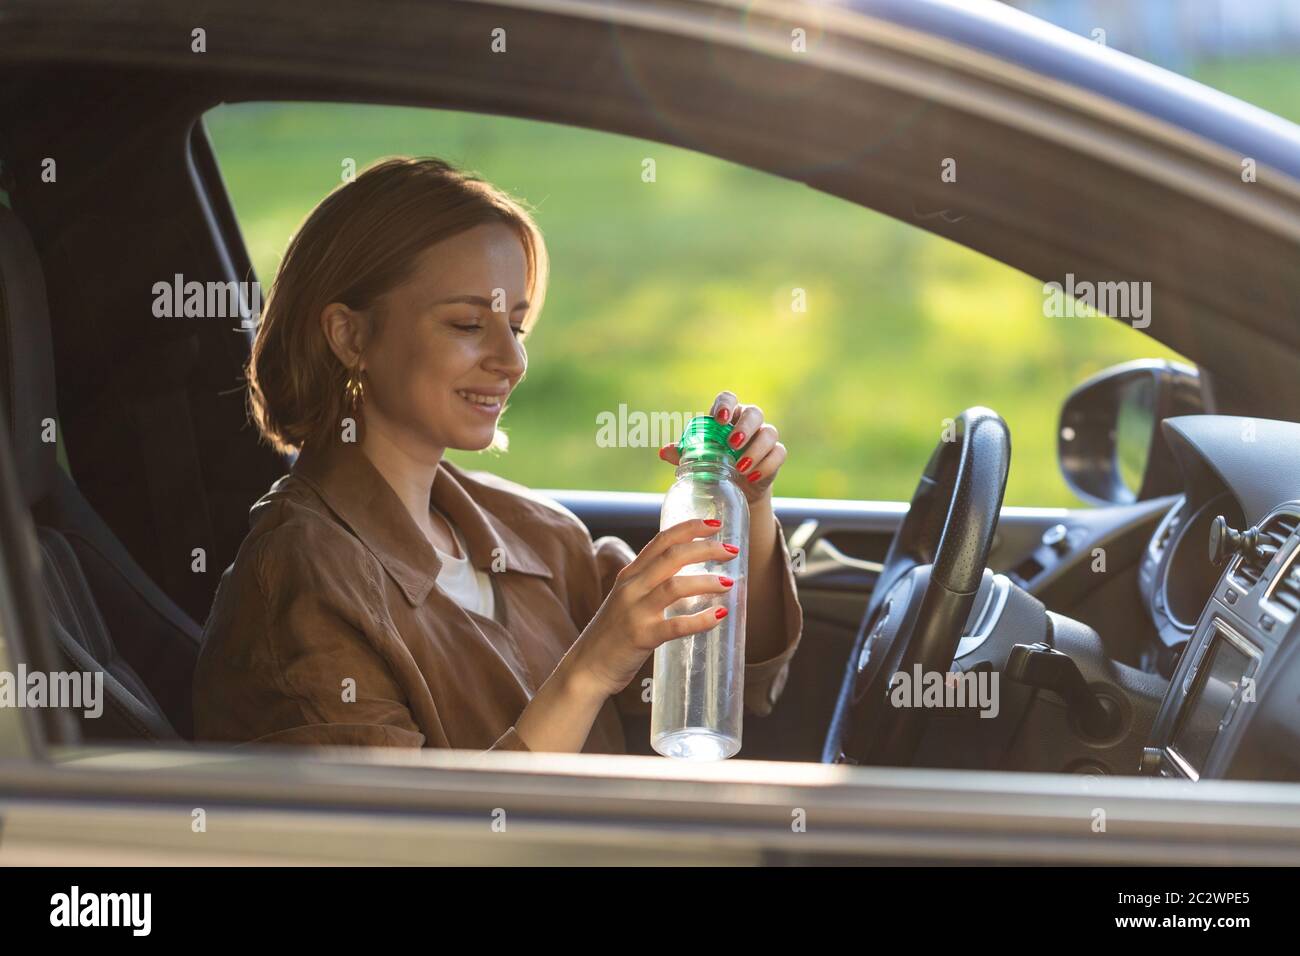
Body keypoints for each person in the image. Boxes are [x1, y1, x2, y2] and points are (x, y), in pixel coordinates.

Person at [192, 157, 803, 753]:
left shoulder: (534, 532)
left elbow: (735, 686)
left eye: (517, 326)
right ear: (351, 336)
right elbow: (398, 843)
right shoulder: (300, 587)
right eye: (466, 324)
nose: (511, 362)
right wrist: (588, 671)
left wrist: (748, 508)